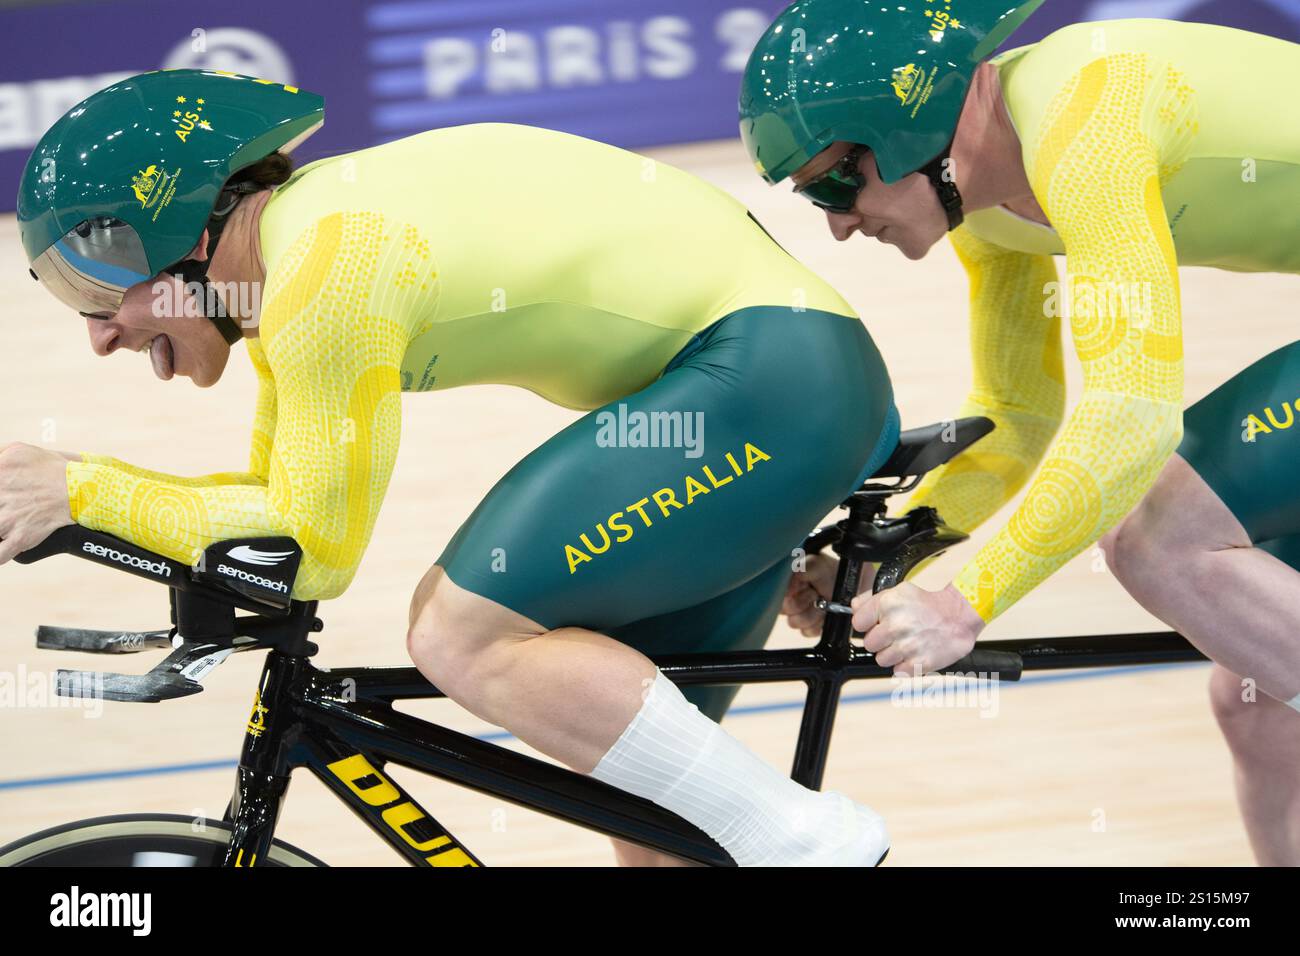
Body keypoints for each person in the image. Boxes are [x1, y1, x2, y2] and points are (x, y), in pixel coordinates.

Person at [4, 68, 898, 866]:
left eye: (92, 283)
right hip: (788, 388)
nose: (96, 335)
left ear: (181, 233)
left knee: (456, 632)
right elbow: (271, 510)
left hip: (769, 385)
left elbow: (312, 551)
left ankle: (806, 840)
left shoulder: (328, 271)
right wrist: (83, 486)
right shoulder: (294, 265)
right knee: (657, 820)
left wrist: (81, 490)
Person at [742, 0, 1300, 864]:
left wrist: (963, 608)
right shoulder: (990, 199)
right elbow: (1020, 416)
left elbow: (1131, 413)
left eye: (832, 184)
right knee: (1263, 701)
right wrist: (895, 552)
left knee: (1153, 531)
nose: (838, 225)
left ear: (905, 124)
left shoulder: (1088, 112)